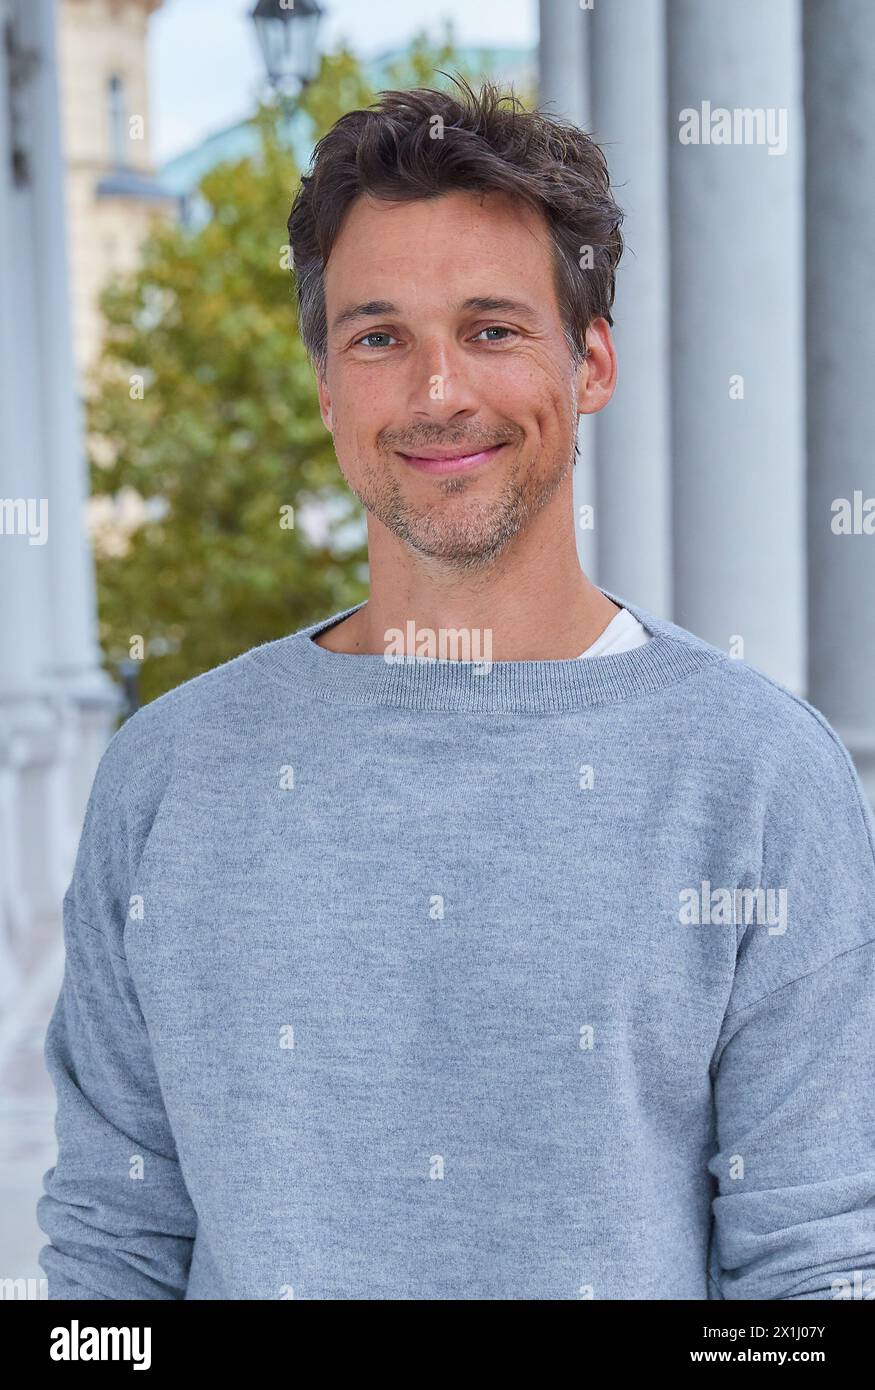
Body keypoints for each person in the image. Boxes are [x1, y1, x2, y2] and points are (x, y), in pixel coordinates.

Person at [37, 77, 875, 1301]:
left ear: (590, 362)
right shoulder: (166, 775)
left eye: (491, 330)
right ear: (327, 386)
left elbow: (813, 1273)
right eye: (379, 337)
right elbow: (110, 1255)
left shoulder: (758, 777)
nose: (437, 394)